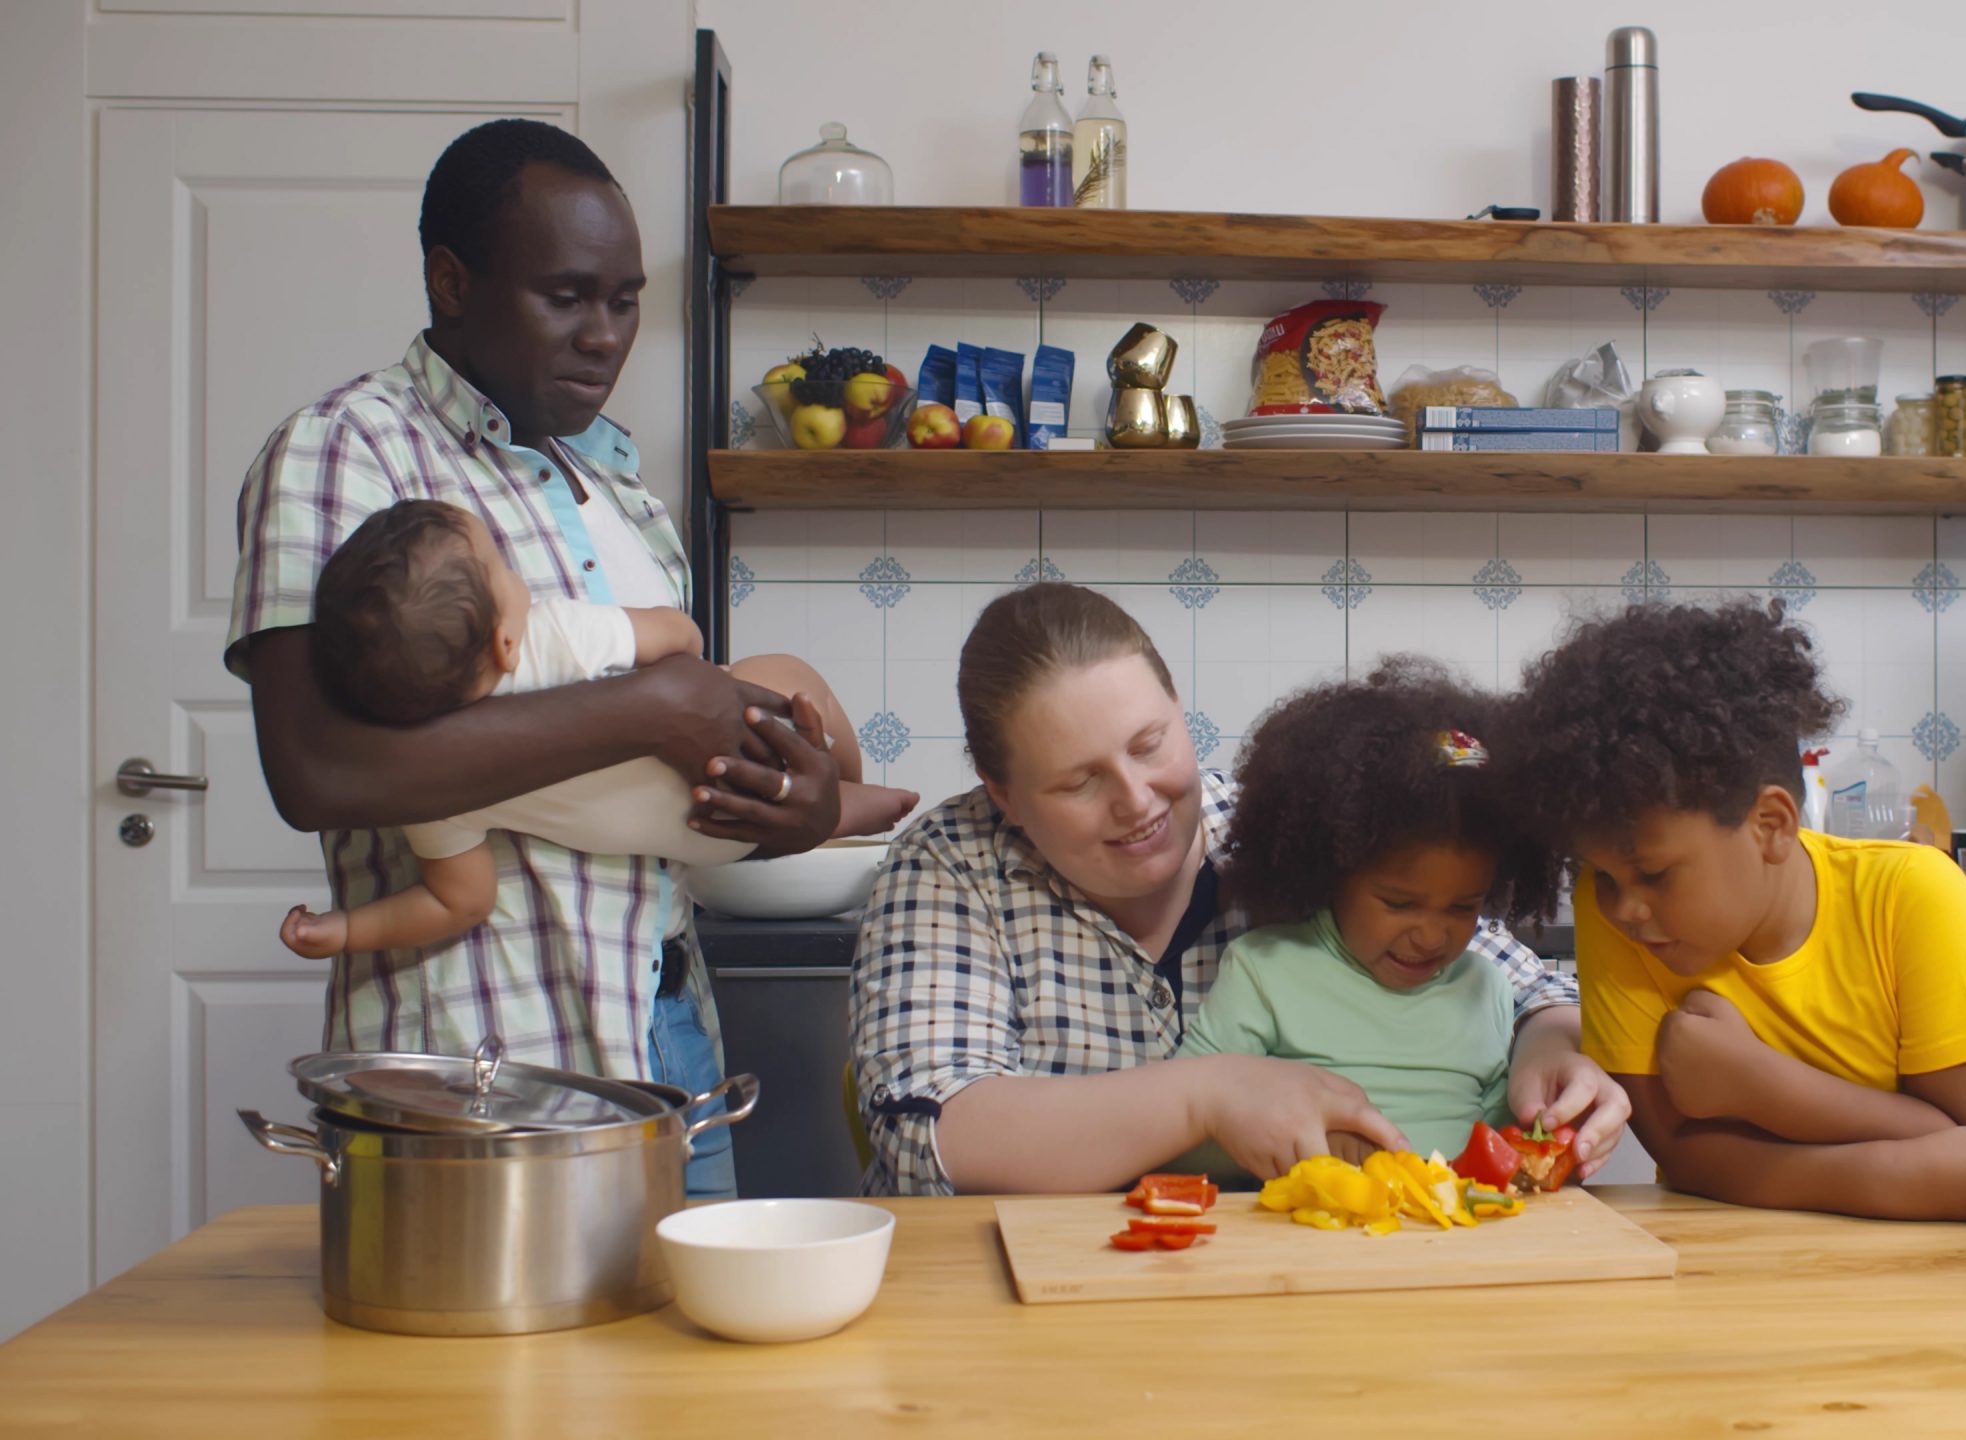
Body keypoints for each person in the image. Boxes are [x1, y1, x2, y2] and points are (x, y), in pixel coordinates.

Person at [228, 119, 841, 1198]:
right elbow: (316, 768)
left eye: (624, 300)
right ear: (451, 281)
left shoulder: (620, 490)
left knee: (696, 1319)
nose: (604, 336)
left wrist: (798, 808)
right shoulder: (346, 448)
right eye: (566, 297)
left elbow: (661, 785)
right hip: (476, 1071)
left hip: (671, 1042)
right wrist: (649, 707)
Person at [849, 584, 1627, 1195]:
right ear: (1004, 795)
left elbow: (1521, 985)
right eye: (1079, 782)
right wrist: (1208, 1095)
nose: (1137, 801)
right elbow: (930, 1135)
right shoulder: (949, 865)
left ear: (1179, 711)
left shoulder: (1301, 829)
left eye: (1150, 744)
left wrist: (1553, 1053)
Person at [1496, 598, 1966, 1220]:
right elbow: (1684, 1154)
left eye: (1655, 874)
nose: (1625, 907)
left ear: (1770, 825)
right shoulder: (1619, 912)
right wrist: (1878, 1176)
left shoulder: (1914, 895)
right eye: (1601, 874)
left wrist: (1757, 1084)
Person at [275, 499, 916, 959]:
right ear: (503, 640)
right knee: (784, 672)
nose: (514, 574)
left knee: (768, 785)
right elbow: (682, 636)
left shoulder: (430, 791)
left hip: (710, 840)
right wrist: (665, 639)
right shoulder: (554, 636)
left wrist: (348, 930)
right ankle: (846, 786)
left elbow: (459, 902)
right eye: (501, 566)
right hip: (751, 746)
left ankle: (846, 809)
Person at [1175, 660, 1627, 1173]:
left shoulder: (1487, 988)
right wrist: (1307, 1143)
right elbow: (1182, 1138)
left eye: (1463, 907)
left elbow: (1506, 1139)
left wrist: (1556, 1131)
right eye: (1399, 903)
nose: (1432, 935)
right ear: (1332, 871)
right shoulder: (1264, 969)